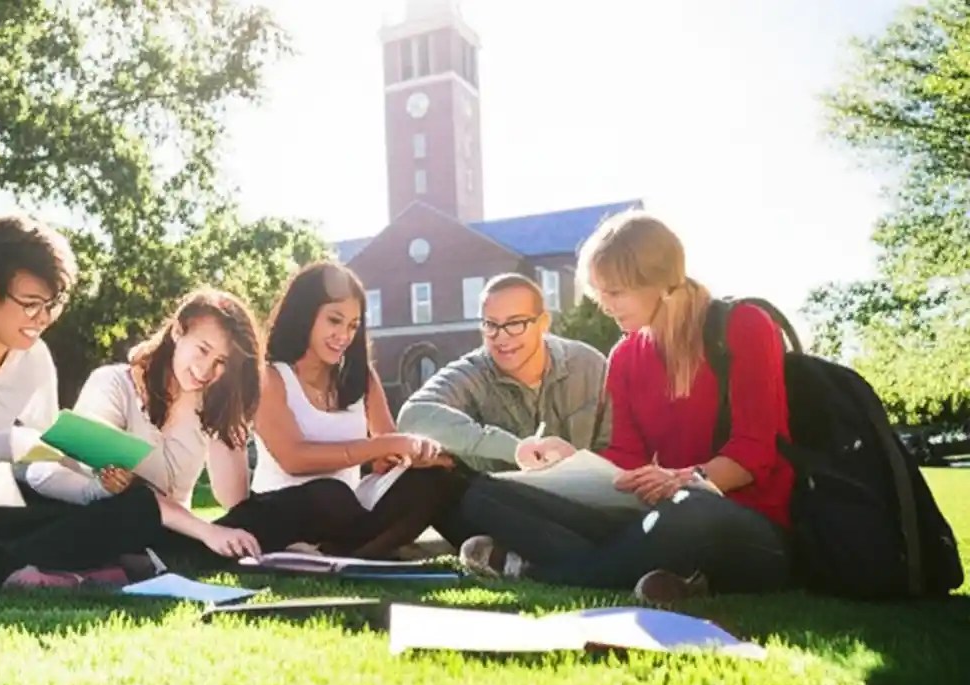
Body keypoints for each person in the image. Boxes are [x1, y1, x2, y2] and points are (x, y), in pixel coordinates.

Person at [0, 216, 254, 595]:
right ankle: (19, 572)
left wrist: (95, 491)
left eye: (52, 305)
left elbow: (40, 468)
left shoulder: (36, 359)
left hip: (0, 521)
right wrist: (1, 445)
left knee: (136, 506)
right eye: (31, 304)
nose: (43, 318)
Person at [457, 211, 793, 603]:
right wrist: (572, 463)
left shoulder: (744, 325)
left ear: (659, 282)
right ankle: (669, 577)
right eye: (600, 293)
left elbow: (756, 450)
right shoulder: (625, 355)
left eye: (614, 293)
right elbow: (627, 457)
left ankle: (535, 571)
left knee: (688, 511)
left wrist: (685, 478)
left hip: (744, 525)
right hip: (658, 515)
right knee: (484, 496)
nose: (604, 306)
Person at [24, 288, 351, 558]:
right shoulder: (111, 383)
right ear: (178, 331)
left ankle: (317, 548)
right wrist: (207, 531)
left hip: (174, 539)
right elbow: (120, 487)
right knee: (133, 499)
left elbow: (235, 501)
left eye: (221, 362)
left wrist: (229, 418)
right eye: (203, 350)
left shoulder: (214, 403)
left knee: (322, 494)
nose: (206, 370)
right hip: (105, 523)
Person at [251, 261, 467, 558]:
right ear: (305, 314)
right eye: (334, 320)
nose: (345, 335)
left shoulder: (360, 376)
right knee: (329, 493)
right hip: (288, 509)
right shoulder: (269, 377)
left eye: (353, 325)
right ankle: (358, 552)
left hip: (347, 513)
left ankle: (343, 556)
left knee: (439, 476)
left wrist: (409, 455)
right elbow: (293, 458)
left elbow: (387, 447)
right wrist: (379, 447)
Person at [396, 272, 612, 545]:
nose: (501, 338)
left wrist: (578, 463)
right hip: (502, 509)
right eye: (491, 325)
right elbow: (413, 416)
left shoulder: (589, 364)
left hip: (583, 505)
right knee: (449, 487)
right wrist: (514, 449)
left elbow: (617, 447)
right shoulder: (473, 371)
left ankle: (517, 558)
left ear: (543, 323)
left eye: (515, 324)